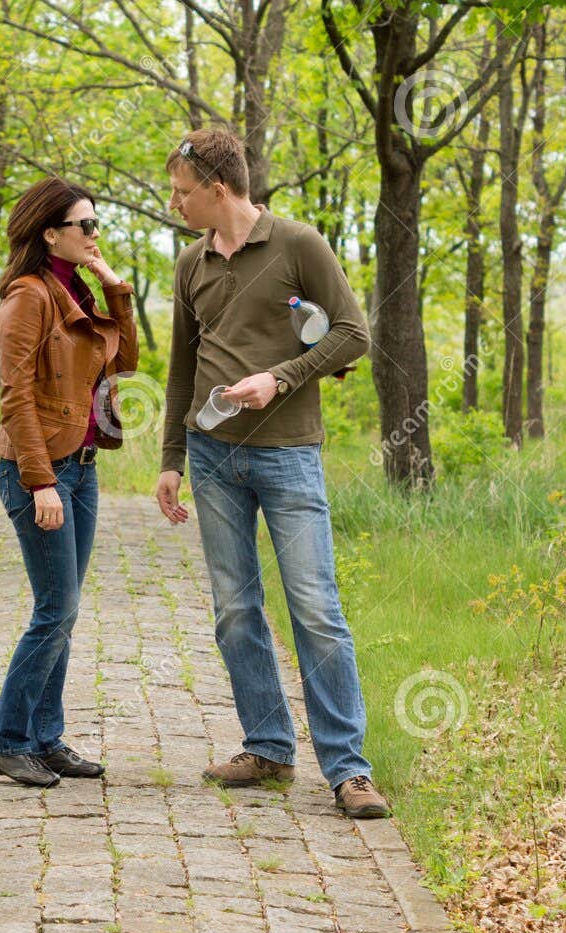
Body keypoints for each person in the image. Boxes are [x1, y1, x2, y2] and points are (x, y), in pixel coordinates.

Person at [155, 127, 390, 820]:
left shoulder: (298, 245)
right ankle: (268, 745)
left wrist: (279, 379)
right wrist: (171, 457)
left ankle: (349, 769)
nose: (176, 203)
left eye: (182, 191)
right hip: (212, 457)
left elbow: (353, 333)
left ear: (218, 189)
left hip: (288, 453)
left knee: (315, 608)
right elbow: (180, 368)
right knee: (235, 610)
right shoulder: (190, 265)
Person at [0, 177, 139, 788]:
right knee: (55, 610)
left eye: (97, 224)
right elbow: (15, 394)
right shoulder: (28, 295)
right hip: (40, 472)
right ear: (51, 233)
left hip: (82, 467)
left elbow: (124, 362)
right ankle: (6, 740)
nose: (95, 234)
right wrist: (40, 481)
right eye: (86, 226)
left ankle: (45, 739)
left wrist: (115, 288)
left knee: (64, 612)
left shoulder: (76, 289)